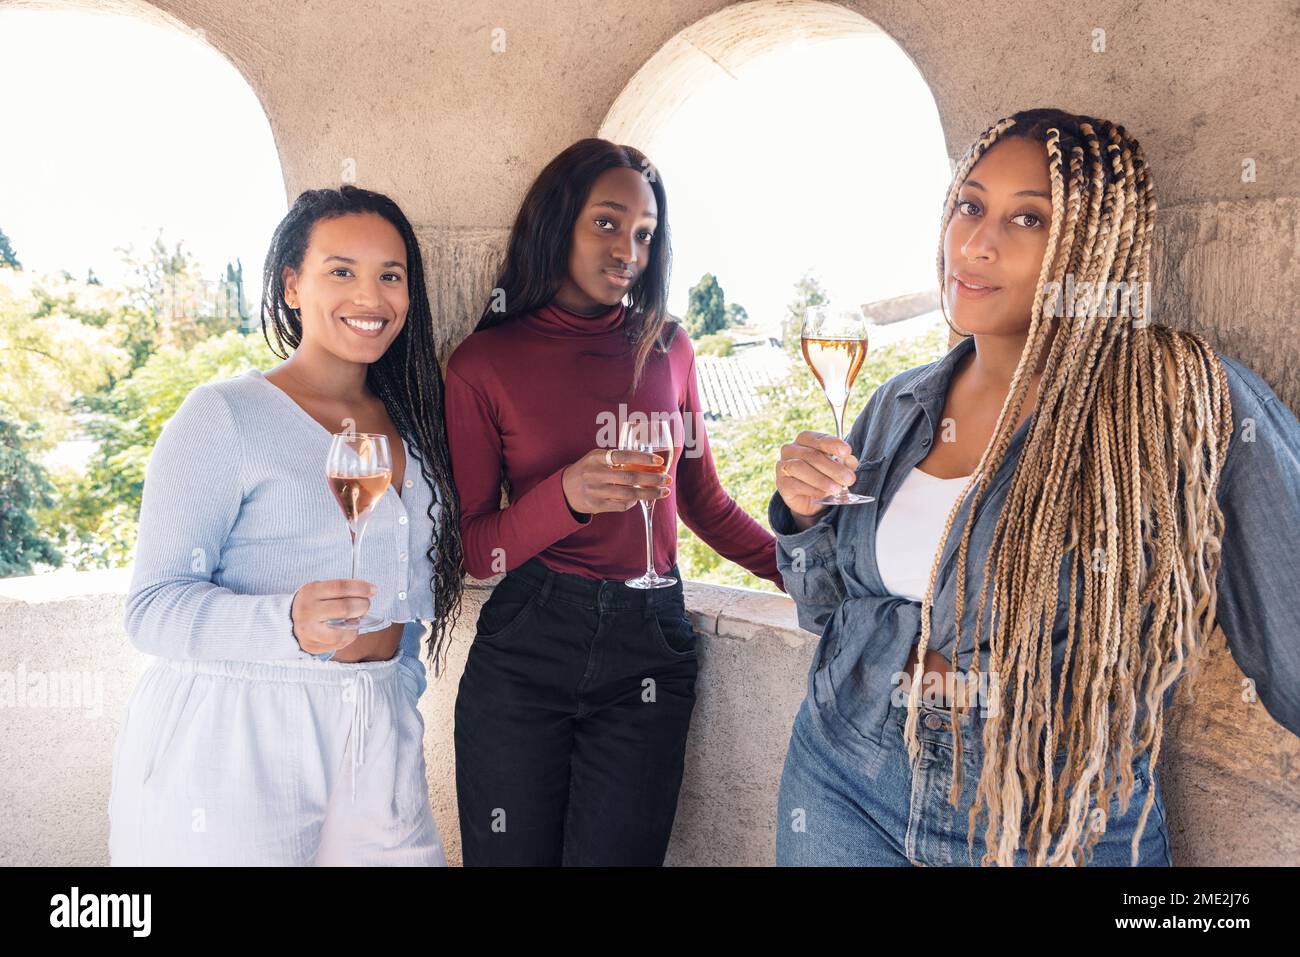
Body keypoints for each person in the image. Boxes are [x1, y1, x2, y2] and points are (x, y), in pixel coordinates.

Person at [770, 108, 1300, 867]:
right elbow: (823, 610)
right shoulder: (899, 402)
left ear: (1091, 247)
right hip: (841, 780)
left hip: (1045, 820)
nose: (978, 242)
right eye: (970, 204)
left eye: (1029, 219)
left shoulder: (1169, 400)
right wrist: (798, 512)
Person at [446, 138, 784, 865]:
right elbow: (477, 547)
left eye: (643, 232)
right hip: (527, 647)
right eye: (606, 222)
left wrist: (810, 574)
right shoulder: (484, 362)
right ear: (558, 221)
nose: (627, 248)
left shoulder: (671, 346)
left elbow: (705, 504)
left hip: (648, 648)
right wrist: (565, 494)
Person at [107, 185, 463, 865]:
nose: (371, 295)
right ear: (292, 284)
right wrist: (286, 623)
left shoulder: (418, 428)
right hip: (237, 734)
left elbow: (409, 595)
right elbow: (152, 608)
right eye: (341, 271)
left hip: (379, 726)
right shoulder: (224, 415)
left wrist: (395, 693)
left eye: (391, 275)